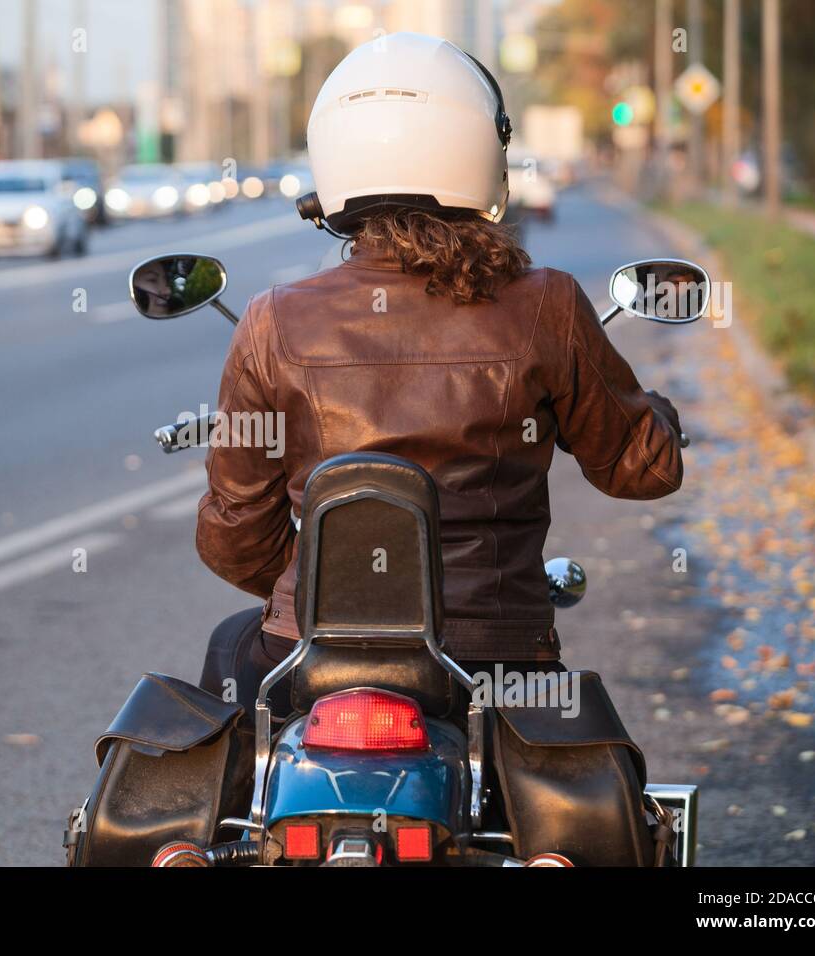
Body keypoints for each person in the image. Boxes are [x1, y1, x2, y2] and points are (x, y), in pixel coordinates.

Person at [195, 33, 684, 732]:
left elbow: (233, 535)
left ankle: (217, 840)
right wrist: (654, 414)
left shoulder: (272, 320)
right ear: (485, 150)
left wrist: (329, 585)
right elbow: (642, 472)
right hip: (497, 659)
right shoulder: (546, 303)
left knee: (226, 676)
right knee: (602, 803)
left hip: (311, 657)